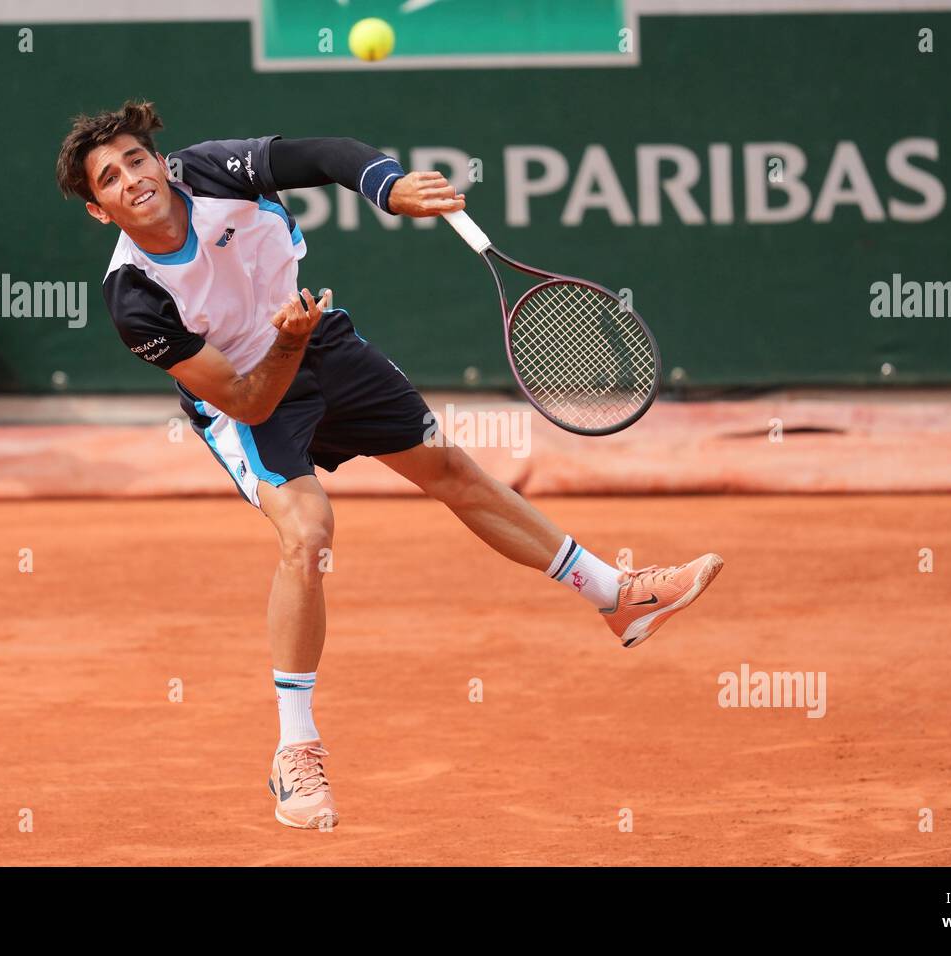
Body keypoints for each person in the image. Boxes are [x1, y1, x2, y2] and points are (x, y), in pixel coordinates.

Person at [55, 101, 722, 830]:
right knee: (307, 536)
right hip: (249, 397)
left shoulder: (213, 169)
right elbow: (247, 401)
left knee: (452, 473)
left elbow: (325, 153)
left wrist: (387, 186)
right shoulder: (135, 297)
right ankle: (295, 749)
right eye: (110, 178)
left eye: (137, 160)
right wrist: (287, 342)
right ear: (99, 210)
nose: (133, 179)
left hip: (322, 344)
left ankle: (615, 596)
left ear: (160, 161)